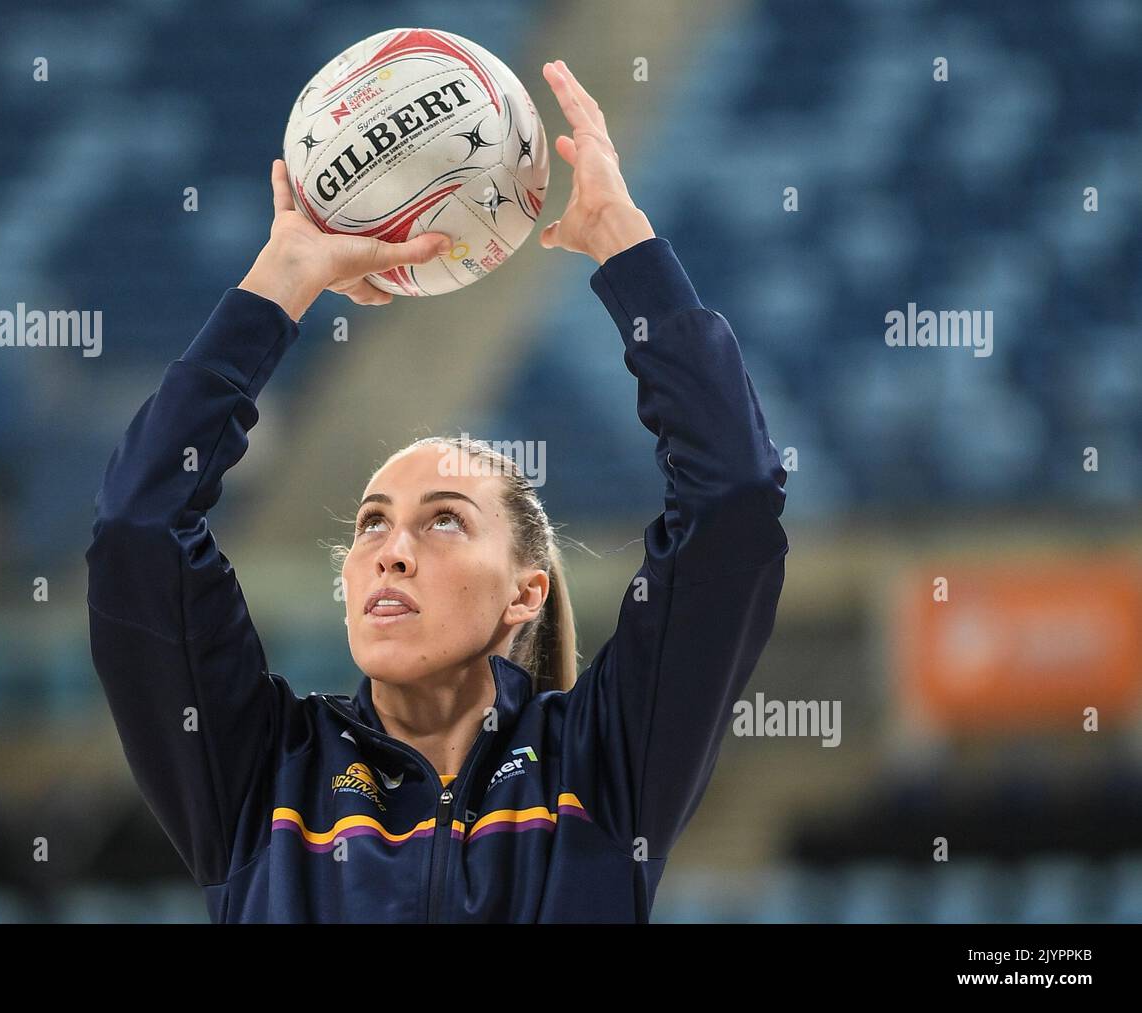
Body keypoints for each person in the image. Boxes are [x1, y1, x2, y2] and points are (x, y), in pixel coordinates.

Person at [86, 59, 787, 922]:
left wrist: (625, 245)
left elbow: (735, 500)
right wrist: (279, 285)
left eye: (444, 520)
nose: (392, 550)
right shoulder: (258, 772)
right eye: (372, 525)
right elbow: (136, 527)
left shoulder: (604, 761)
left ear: (526, 590)